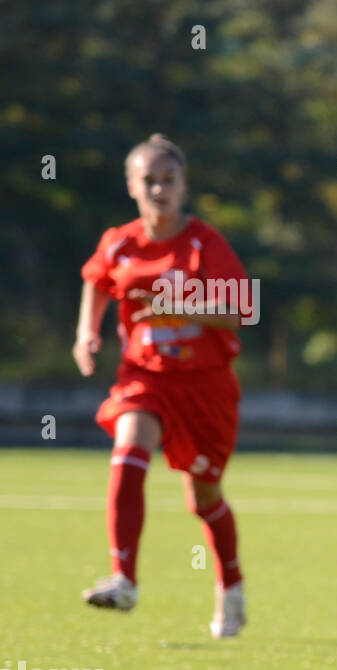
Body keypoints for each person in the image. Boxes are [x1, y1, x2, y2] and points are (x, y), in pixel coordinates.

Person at [74, 134, 249, 638]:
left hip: (205, 388)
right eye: (148, 180)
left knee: (204, 499)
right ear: (132, 186)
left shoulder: (204, 244)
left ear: (183, 186)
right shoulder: (120, 242)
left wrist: (184, 309)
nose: (159, 189)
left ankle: (231, 587)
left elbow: (241, 311)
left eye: (168, 180)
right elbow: (95, 280)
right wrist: (87, 333)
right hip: (145, 376)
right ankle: (124, 580)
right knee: (128, 452)